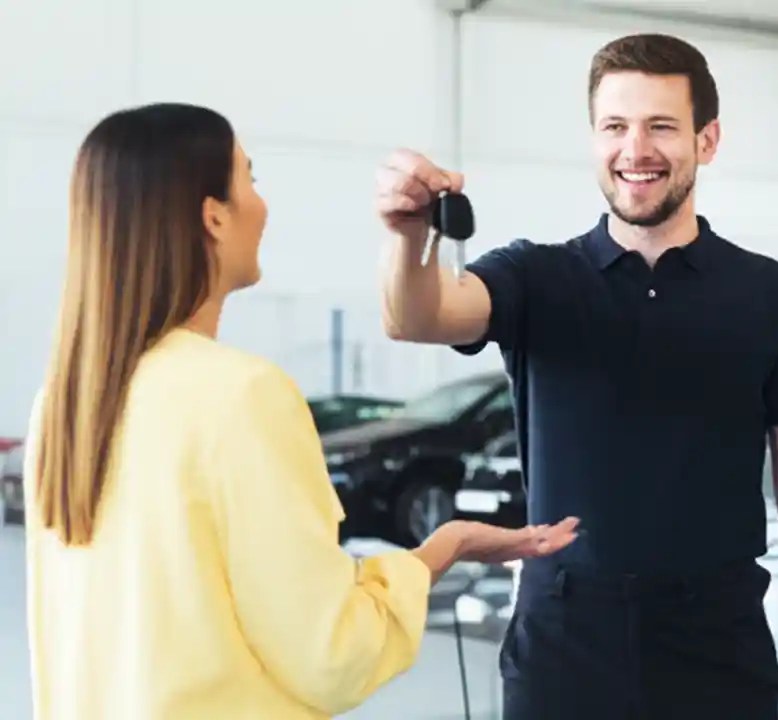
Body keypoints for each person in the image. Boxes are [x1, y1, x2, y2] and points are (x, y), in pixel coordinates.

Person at [22, 102, 579, 720]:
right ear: (212, 216)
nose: (262, 206)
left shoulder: (64, 404)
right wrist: (438, 552)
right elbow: (332, 655)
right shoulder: (239, 397)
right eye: (250, 181)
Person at [376, 33, 778, 720]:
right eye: (615, 127)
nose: (635, 151)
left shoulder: (769, 294)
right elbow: (419, 317)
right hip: (565, 641)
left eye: (662, 126)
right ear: (594, 138)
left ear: (708, 140)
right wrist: (406, 239)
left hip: (717, 643)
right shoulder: (536, 278)